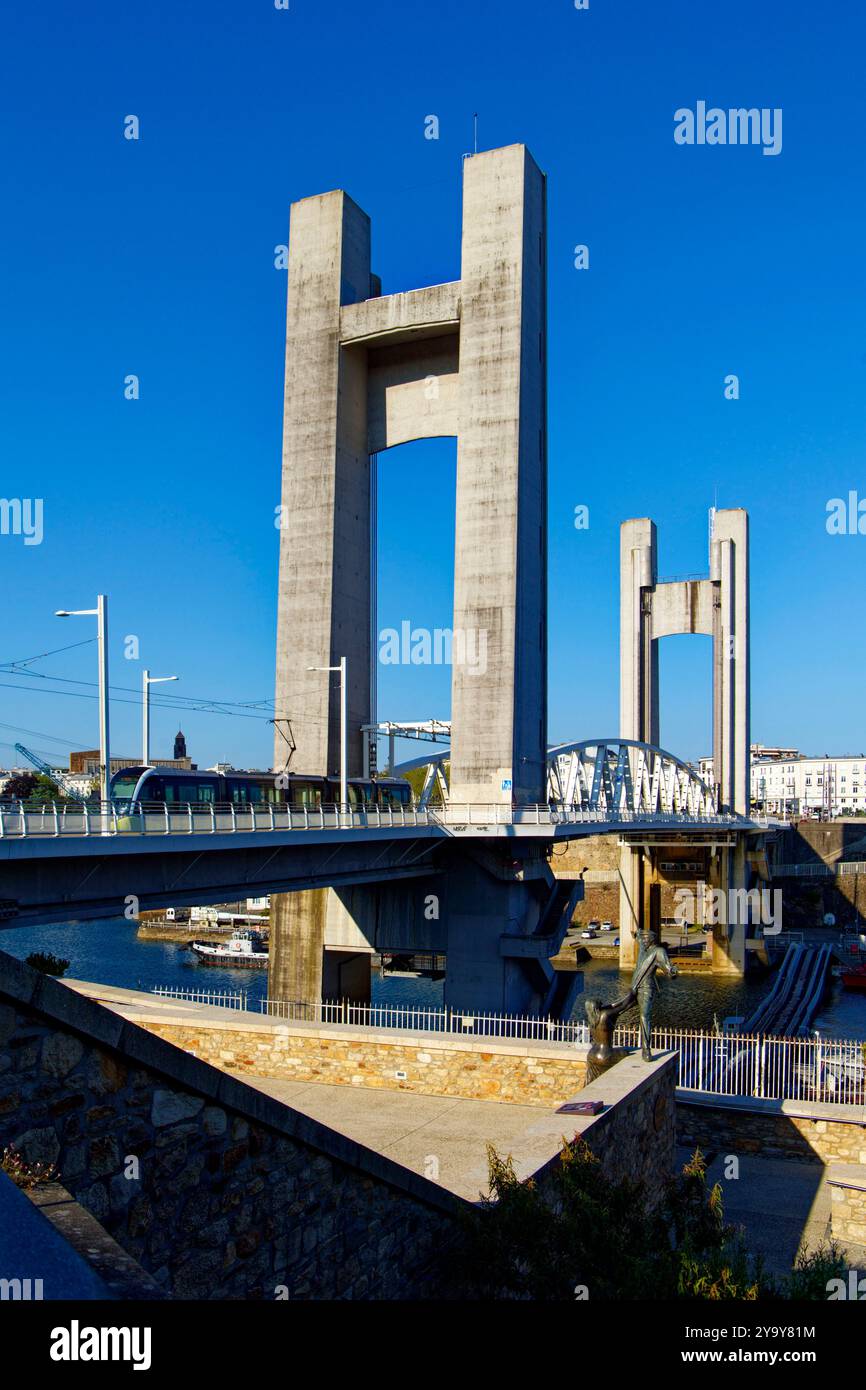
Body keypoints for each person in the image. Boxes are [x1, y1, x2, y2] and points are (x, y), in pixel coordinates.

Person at [630, 930, 678, 1061]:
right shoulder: (643, 949)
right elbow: (639, 939)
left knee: (644, 1017)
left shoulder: (659, 951)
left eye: (645, 939)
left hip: (646, 988)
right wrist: (637, 935)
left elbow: (668, 971)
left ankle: (646, 1050)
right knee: (617, 1009)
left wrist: (673, 971)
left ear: (651, 939)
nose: (643, 941)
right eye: (643, 939)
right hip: (634, 987)